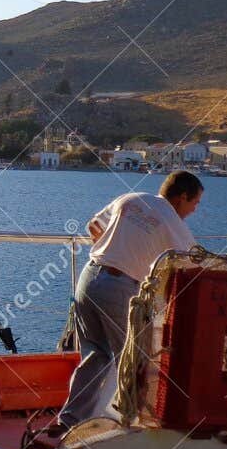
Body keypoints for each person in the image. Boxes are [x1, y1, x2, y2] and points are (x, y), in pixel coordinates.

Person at [53, 170, 203, 434]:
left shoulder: (131, 198)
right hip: (119, 286)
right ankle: (130, 425)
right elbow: (193, 264)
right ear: (181, 198)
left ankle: (69, 420)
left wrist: (119, 251)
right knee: (136, 359)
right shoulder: (171, 220)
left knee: (96, 355)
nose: (194, 210)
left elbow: (94, 227)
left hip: (89, 277)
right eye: (195, 203)